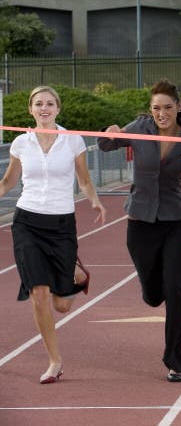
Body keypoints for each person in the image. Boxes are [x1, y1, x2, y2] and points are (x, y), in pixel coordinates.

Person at [98, 79, 181, 383]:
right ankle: (153, 291)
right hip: (140, 221)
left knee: (175, 288)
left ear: (178, 107)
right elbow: (107, 145)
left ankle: (175, 360)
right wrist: (110, 132)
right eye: (156, 108)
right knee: (153, 296)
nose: (161, 114)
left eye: (167, 107)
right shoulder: (140, 127)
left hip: (176, 221)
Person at [0, 86, 107, 384]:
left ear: (58, 108)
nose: (44, 108)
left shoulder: (73, 141)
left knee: (61, 305)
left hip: (61, 225)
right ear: (30, 109)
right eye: (38, 104)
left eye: (49, 103)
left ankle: (77, 274)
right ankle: (54, 361)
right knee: (38, 293)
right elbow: (8, 181)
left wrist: (95, 201)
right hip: (27, 222)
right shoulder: (21, 142)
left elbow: (84, 181)